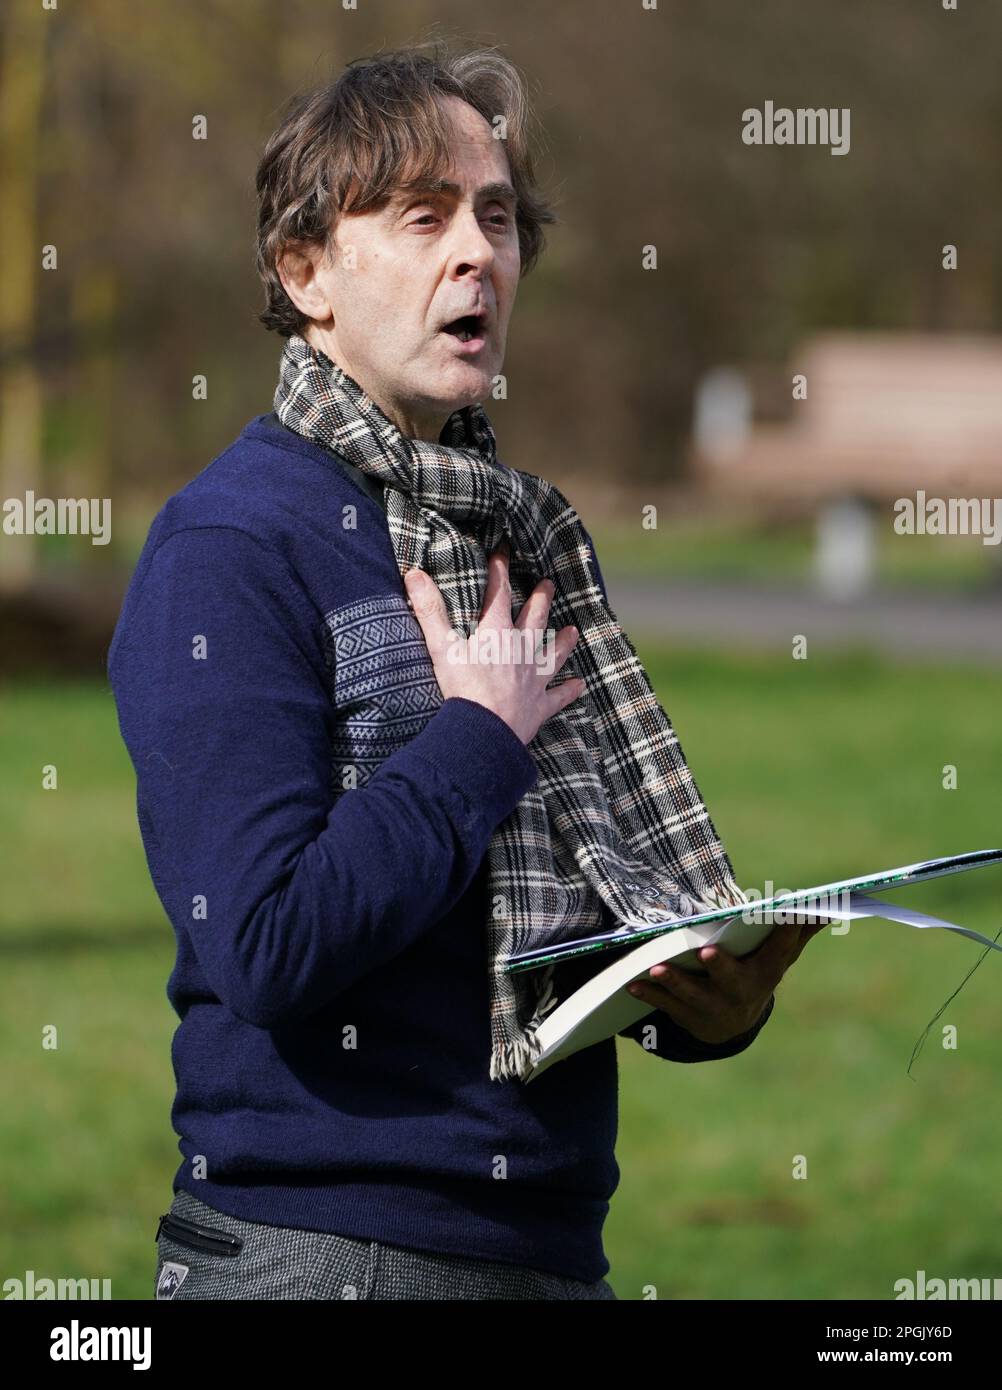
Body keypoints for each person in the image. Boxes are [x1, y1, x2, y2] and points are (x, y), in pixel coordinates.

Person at [108, 40, 823, 1302]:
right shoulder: (227, 550)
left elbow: (550, 919)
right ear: (303, 272)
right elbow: (267, 944)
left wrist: (699, 1006)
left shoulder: (521, 534)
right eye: (423, 217)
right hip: (331, 1258)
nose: (477, 253)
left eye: (496, 217)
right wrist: (477, 737)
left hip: (546, 1252)